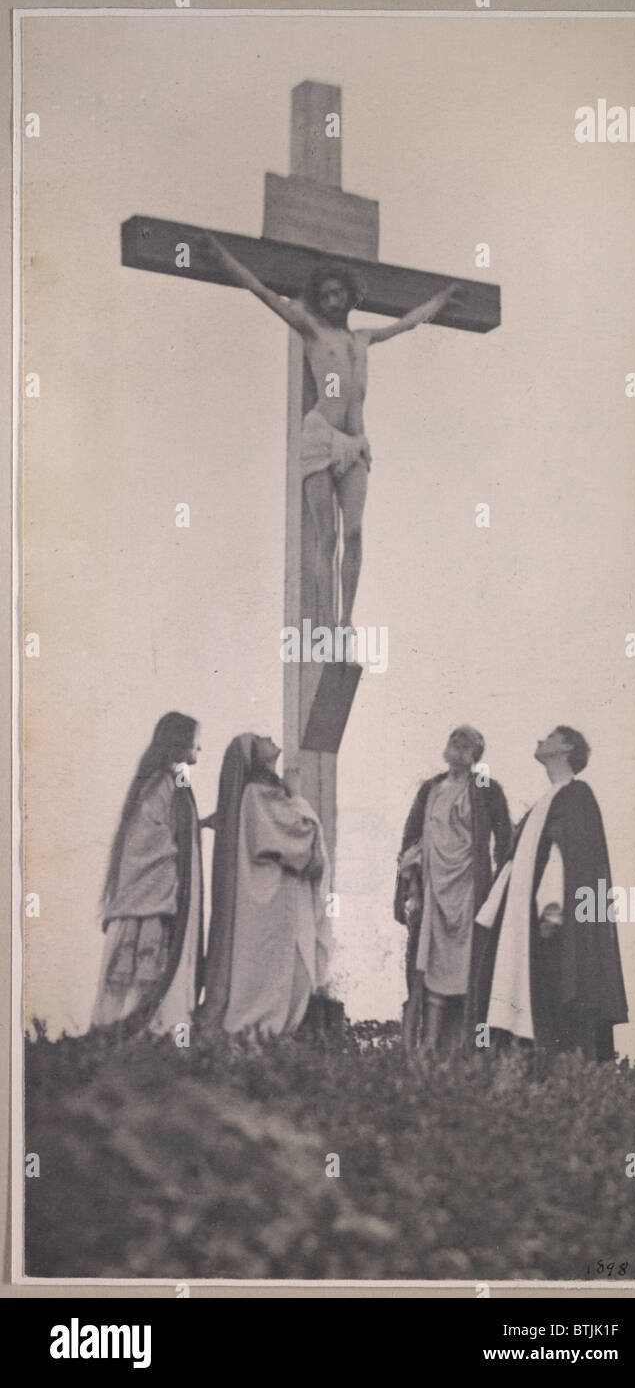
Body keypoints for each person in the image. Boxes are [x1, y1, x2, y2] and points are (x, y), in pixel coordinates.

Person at [202, 231, 461, 632]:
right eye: (324, 296)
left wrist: (442, 300)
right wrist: (221, 257)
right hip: (320, 436)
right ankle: (325, 621)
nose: (332, 301)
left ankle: (346, 619)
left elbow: (408, 323)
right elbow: (263, 292)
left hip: (355, 445)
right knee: (329, 536)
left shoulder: (363, 338)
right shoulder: (312, 332)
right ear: (317, 300)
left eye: (338, 294)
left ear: (349, 296)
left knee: (354, 533)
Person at [471, 727, 628, 1062]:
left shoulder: (576, 796)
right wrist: (490, 910)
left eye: (551, 736)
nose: (539, 739)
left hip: (548, 923)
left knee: (551, 988)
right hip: (519, 921)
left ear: (567, 747)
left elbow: (563, 857)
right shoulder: (544, 802)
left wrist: (553, 910)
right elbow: (515, 864)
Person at [198, 733, 333, 1038]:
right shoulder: (259, 794)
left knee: (294, 972)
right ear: (253, 756)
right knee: (288, 973)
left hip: (279, 897)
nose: (269, 737)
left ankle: (269, 1034)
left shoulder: (262, 794)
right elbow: (300, 835)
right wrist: (297, 797)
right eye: (260, 739)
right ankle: (263, 1034)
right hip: (274, 903)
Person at [394, 726, 512, 1054]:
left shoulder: (487, 787)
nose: (458, 748)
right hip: (433, 887)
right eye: (454, 741)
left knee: (468, 965)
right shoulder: (430, 788)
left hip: (470, 889)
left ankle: (462, 1049)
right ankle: (426, 1044)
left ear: (476, 754)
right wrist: (411, 885)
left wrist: (499, 888)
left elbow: (505, 839)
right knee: (429, 961)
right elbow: (412, 838)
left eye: (467, 744)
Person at [90, 712, 204, 1037]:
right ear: (179, 742)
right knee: (139, 976)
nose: (200, 747)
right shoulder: (161, 783)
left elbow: (183, 826)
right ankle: (130, 1040)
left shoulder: (174, 779)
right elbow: (146, 837)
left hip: (159, 894)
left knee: (148, 972)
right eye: (195, 741)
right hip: (151, 895)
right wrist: (175, 856)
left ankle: (144, 1041)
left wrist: (200, 825)